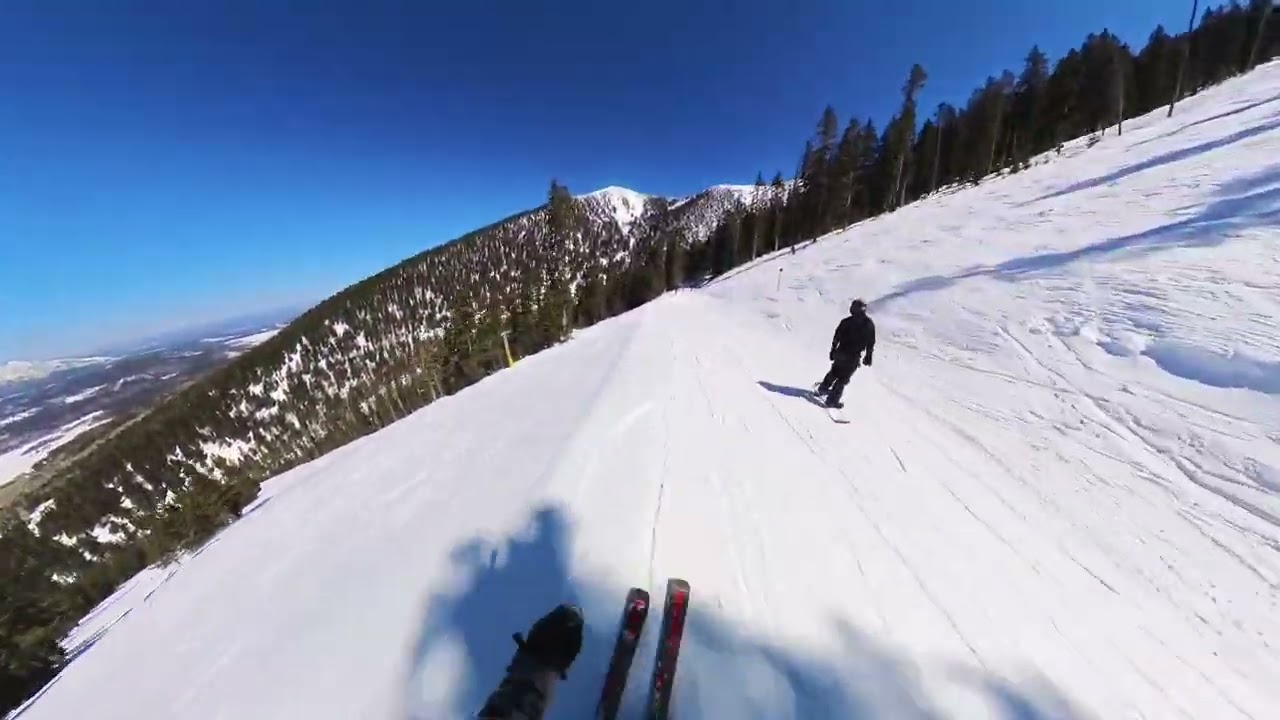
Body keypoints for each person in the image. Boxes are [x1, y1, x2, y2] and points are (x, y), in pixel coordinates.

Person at [476, 604, 584, 720]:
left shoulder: (552, 627)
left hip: (533, 665)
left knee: (521, 693)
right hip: (537, 667)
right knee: (527, 695)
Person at [815, 299, 875, 408]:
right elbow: (871, 342)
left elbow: (836, 337)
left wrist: (833, 349)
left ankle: (823, 388)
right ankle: (832, 399)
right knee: (843, 378)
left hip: (843, 353)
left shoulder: (848, 322)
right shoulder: (868, 324)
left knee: (835, 372)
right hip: (851, 355)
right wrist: (868, 356)